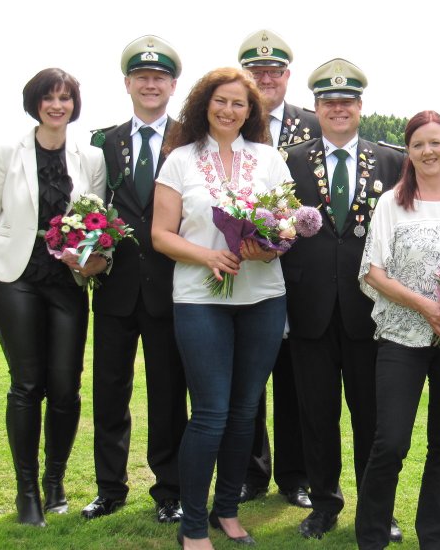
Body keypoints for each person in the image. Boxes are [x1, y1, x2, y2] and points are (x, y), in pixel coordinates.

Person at [152, 67, 289, 549]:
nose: (229, 110)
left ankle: (227, 511)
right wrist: (208, 254)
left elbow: (285, 229)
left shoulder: (270, 159)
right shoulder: (180, 161)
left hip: (263, 298)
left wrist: (267, 246)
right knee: (210, 411)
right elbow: (161, 234)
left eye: (239, 103)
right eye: (220, 101)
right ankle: (192, 526)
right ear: (203, 104)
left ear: (251, 111)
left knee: (245, 410)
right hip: (199, 298)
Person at [355, 111, 440, 550]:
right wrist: (424, 306)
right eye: (418, 144)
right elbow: (373, 273)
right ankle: (372, 538)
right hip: (401, 336)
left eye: (436, 142)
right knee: (390, 442)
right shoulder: (391, 203)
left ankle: (432, 538)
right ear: (408, 152)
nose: (428, 151)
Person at [280, 58, 405, 541]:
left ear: (359, 106)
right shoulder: (288, 161)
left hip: (370, 311)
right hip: (308, 310)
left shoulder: (392, 161)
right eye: (329, 102)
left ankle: (379, 509)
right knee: (316, 414)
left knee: (373, 418)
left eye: (346, 101)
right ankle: (325, 503)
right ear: (316, 107)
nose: (338, 109)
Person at [0, 68, 106, 526]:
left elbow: (99, 221)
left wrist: (95, 258)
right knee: (27, 385)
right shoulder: (3, 151)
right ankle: (27, 491)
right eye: (48, 97)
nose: (57, 105)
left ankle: (56, 482)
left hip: (66, 280)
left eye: (65, 97)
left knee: (67, 388)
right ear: (34, 103)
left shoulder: (89, 156)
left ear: (75, 104)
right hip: (14, 277)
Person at [81, 35, 187, 524]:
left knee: (168, 394)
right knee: (110, 391)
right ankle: (109, 488)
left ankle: (169, 490)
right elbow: (91, 210)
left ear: (172, 85)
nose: (150, 84)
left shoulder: (189, 139)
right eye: (142, 77)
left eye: (159, 77)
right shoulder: (104, 142)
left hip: (170, 288)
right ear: (127, 83)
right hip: (116, 289)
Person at [236, 29, 320, 509]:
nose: (265, 78)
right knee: (249, 379)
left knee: (296, 381)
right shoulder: (231, 122)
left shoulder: (313, 125)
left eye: (274, 71)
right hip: (248, 270)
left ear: (288, 76)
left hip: (303, 275)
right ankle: (252, 472)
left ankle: (296, 475)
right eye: (256, 72)